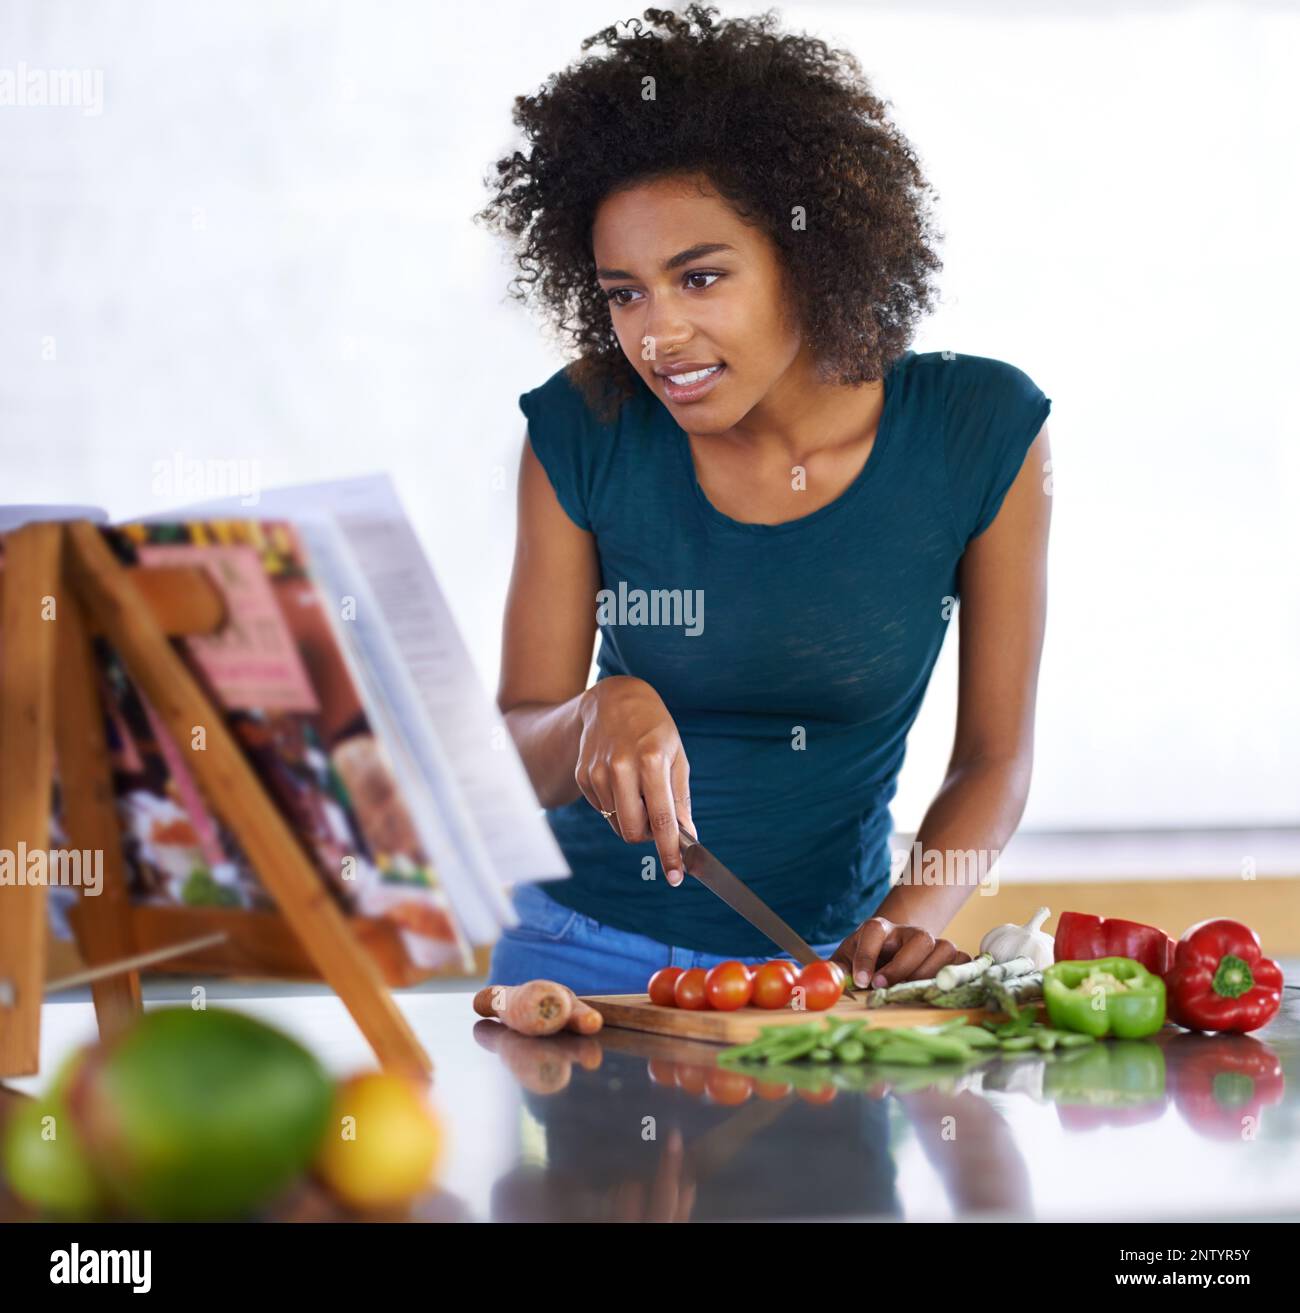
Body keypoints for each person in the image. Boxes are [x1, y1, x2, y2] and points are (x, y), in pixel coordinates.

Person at [478, 6, 1052, 995]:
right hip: (576, 959)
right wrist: (589, 716)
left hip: (818, 971)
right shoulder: (583, 426)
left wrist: (900, 927)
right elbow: (514, 747)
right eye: (624, 293)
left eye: (699, 278)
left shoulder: (980, 429)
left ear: (809, 255)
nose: (656, 336)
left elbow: (993, 760)